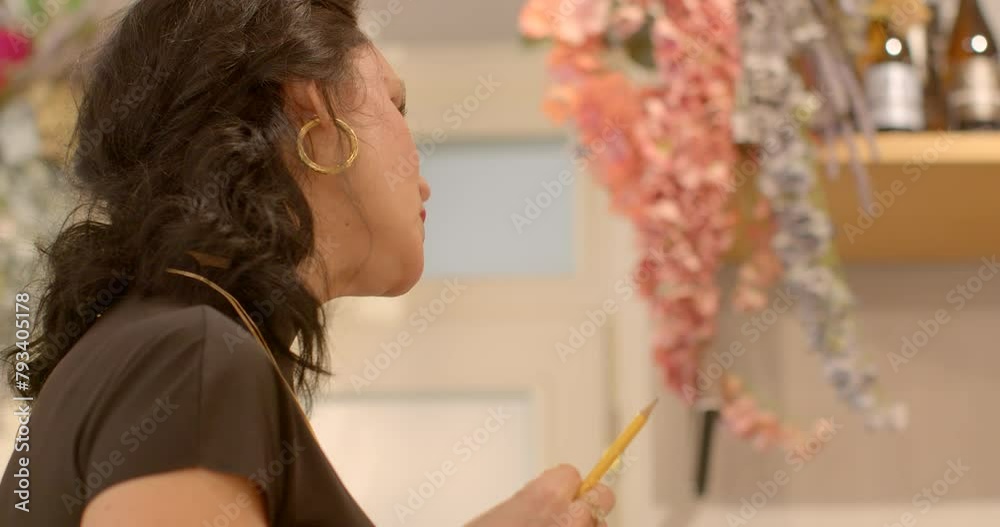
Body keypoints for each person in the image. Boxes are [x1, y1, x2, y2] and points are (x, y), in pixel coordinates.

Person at [0, 0, 616, 526]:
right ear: (312, 108)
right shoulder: (191, 357)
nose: (423, 178)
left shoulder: (160, 342)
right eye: (397, 105)